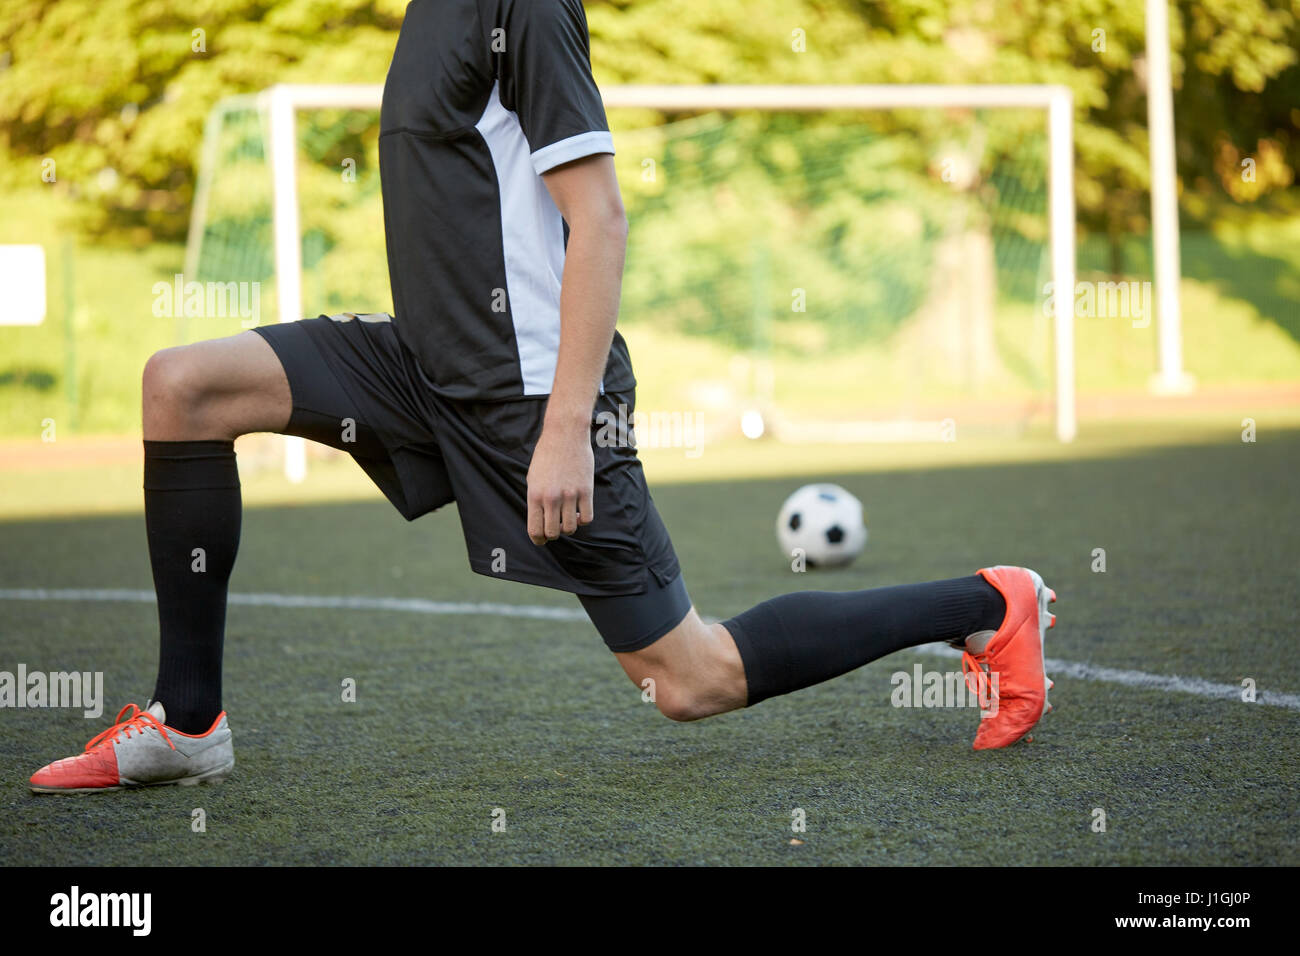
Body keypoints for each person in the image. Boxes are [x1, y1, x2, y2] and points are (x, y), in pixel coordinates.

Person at [28, 0, 1057, 794]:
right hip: (422, 365)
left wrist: (567, 429)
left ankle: (986, 602)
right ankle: (189, 723)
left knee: (689, 679)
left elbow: (600, 219)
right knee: (186, 386)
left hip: (531, 397)